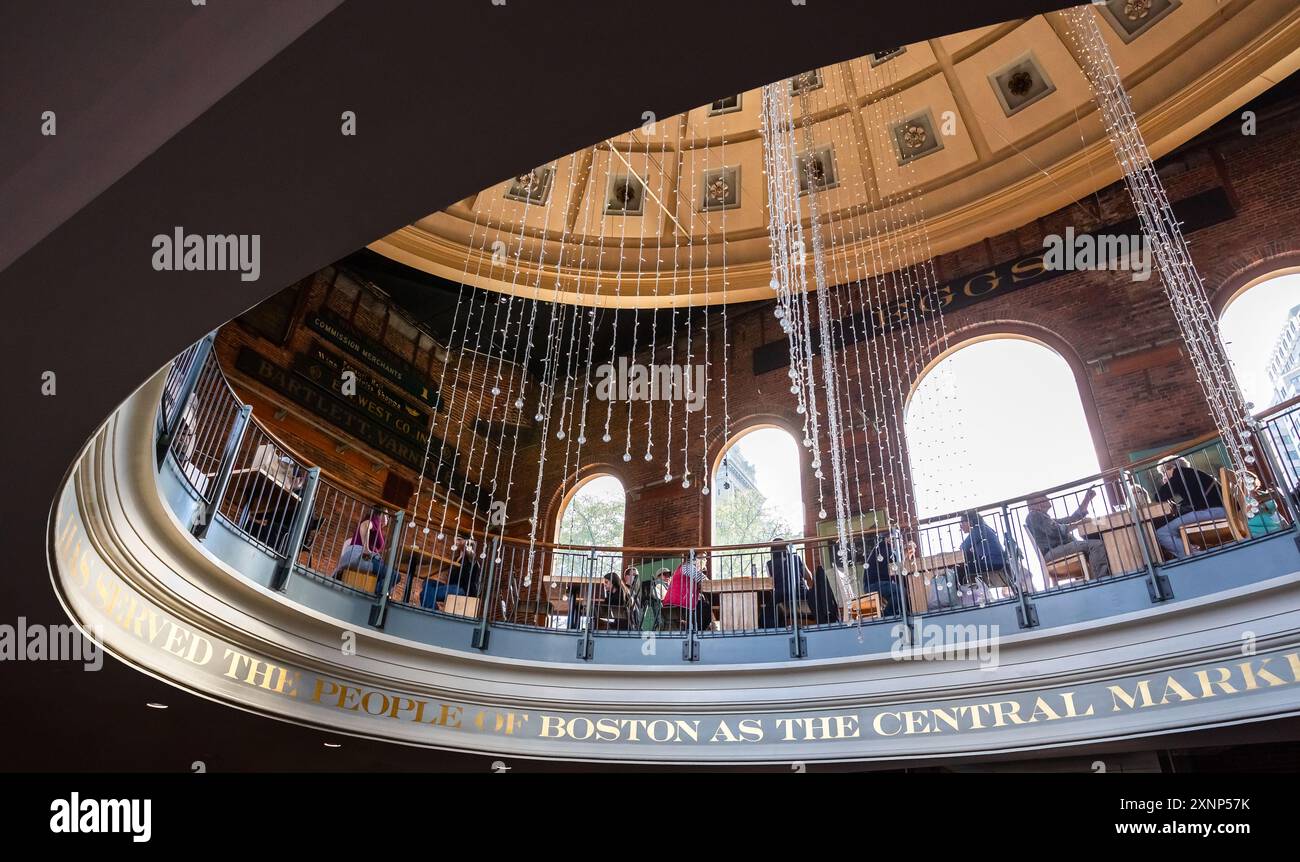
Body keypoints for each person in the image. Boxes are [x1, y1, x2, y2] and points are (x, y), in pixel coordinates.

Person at [1025, 489, 1111, 579]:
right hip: (1052, 552)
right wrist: (1078, 524)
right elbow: (1055, 530)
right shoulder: (1034, 515)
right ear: (1034, 504)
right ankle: (1102, 579)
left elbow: (1071, 519)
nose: (1047, 498)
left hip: (1057, 549)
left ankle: (1095, 577)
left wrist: (1087, 499)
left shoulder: (1044, 517)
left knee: (1093, 544)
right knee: (1096, 545)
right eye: (1043, 497)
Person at [1153, 456, 1226, 558]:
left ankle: (1192, 556)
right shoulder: (1190, 473)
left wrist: (1168, 482)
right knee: (1175, 527)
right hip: (1219, 509)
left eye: (1164, 473)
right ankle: (1193, 551)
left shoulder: (1179, 474)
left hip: (1213, 511)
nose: (1164, 476)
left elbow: (1159, 496)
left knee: (1162, 533)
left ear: (1170, 468)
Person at [331, 506, 393, 597]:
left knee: (385, 573)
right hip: (361, 557)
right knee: (393, 575)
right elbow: (365, 525)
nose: (387, 518)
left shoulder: (378, 527)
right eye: (386, 515)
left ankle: (377, 593)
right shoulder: (375, 520)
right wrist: (366, 548)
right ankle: (377, 596)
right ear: (379, 514)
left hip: (357, 555)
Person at [420, 537, 483, 608]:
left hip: (463, 589)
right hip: (451, 587)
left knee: (425, 593)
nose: (456, 541)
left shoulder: (470, 558)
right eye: (456, 539)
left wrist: (466, 544)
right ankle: (431, 607)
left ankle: (431, 610)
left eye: (459, 539)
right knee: (427, 582)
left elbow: (471, 553)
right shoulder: (456, 558)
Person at [957, 510, 1006, 594]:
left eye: (961, 523)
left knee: (959, 570)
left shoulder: (978, 530)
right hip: (997, 561)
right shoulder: (983, 528)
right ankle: (972, 595)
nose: (960, 526)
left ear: (970, 521)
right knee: (966, 566)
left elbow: (963, 547)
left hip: (993, 562)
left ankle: (962, 597)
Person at [767, 538, 812, 624]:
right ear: (786, 547)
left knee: (768, 605)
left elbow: (771, 584)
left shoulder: (769, 564)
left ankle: (778, 627)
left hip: (781, 598)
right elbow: (809, 577)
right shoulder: (796, 558)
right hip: (801, 595)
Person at [860, 534, 904, 618]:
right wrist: (904, 555)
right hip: (872, 585)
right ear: (888, 539)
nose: (899, 542)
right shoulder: (884, 548)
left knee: (900, 589)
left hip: (875, 584)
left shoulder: (884, 548)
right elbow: (895, 569)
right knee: (900, 591)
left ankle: (896, 613)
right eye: (897, 539)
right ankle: (888, 615)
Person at [663, 557, 713, 628]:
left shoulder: (682, 567)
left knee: (702, 605)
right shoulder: (688, 567)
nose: (705, 561)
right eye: (703, 559)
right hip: (678, 604)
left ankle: (695, 628)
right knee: (705, 607)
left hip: (672, 603)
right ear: (696, 560)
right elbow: (706, 581)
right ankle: (697, 630)